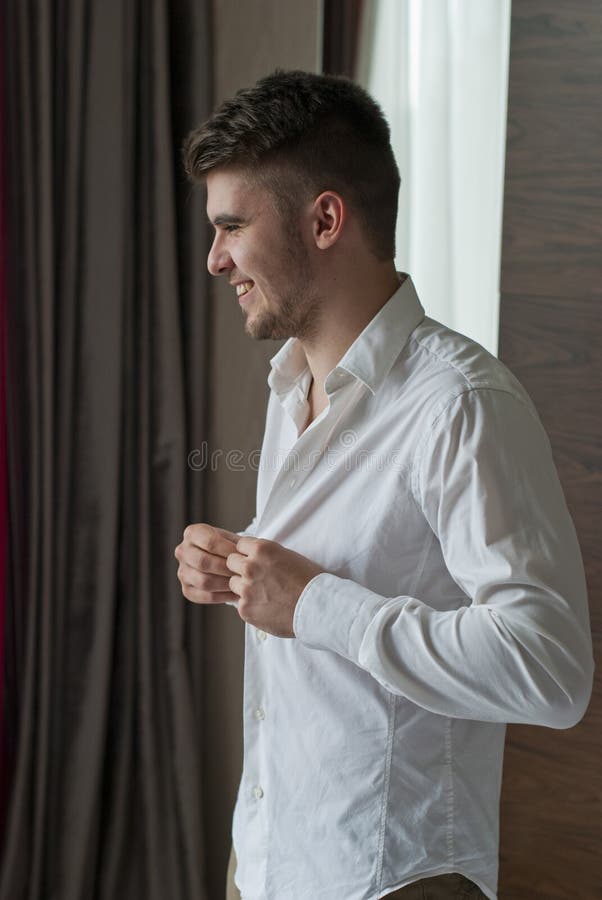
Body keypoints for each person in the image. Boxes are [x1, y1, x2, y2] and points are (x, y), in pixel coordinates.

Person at [174, 70, 593, 900]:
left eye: (231, 226)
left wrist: (315, 604)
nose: (216, 258)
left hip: (391, 878)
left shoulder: (461, 405)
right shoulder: (289, 384)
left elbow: (550, 669)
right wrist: (242, 577)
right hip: (271, 859)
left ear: (325, 219)